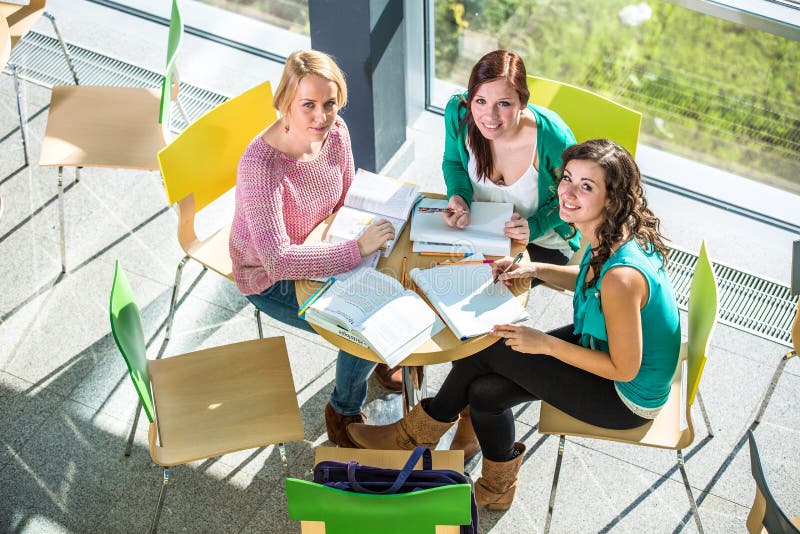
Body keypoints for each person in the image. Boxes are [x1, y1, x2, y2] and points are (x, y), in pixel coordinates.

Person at [346, 139, 681, 511]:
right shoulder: (615, 233)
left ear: (612, 197)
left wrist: (545, 343)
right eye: (568, 178)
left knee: (487, 345)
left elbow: (625, 367)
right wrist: (536, 269)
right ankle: (494, 488)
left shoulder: (622, 275)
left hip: (625, 396)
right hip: (600, 344)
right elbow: (589, 279)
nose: (568, 193)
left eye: (586, 186)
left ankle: (414, 436)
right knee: (485, 394)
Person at [229, 50, 398, 448]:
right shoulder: (260, 165)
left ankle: (375, 358)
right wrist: (355, 250)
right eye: (308, 105)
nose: (322, 117)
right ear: (285, 101)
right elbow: (278, 260)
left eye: (329, 103)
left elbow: (345, 199)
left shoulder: (336, 132)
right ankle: (342, 409)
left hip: (323, 243)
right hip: (270, 278)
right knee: (363, 329)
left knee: (395, 281)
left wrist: (358, 243)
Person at [440, 49, 580, 462]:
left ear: (523, 100)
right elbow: (453, 162)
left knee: (482, 310)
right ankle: (453, 409)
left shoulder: (551, 137)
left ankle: (455, 416)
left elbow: (575, 201)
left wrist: (533, 227)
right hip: (481, 228)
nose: (490, 116)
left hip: (541, 242)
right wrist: (460, 197)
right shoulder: (458, 113)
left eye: (505, 103)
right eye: (481, 101)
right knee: (434, 285)